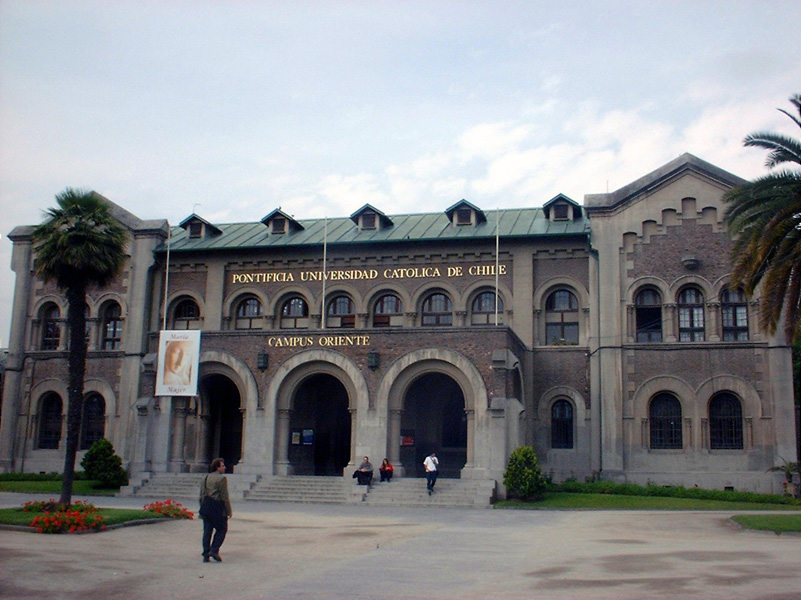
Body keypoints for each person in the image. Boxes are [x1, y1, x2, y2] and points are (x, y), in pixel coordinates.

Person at [199, 457, 233, 563]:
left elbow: (202, 495)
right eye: (222, 466)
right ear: (217, 467)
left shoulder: (205, 478)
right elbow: (224, 497)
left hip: (207, 506)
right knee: (222, 529)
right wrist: (228, 511)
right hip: (217, 507)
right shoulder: (221, 479)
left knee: (207, 531)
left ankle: (205, 554)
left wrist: (203, 507)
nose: (224, 468)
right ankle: (214, 550)